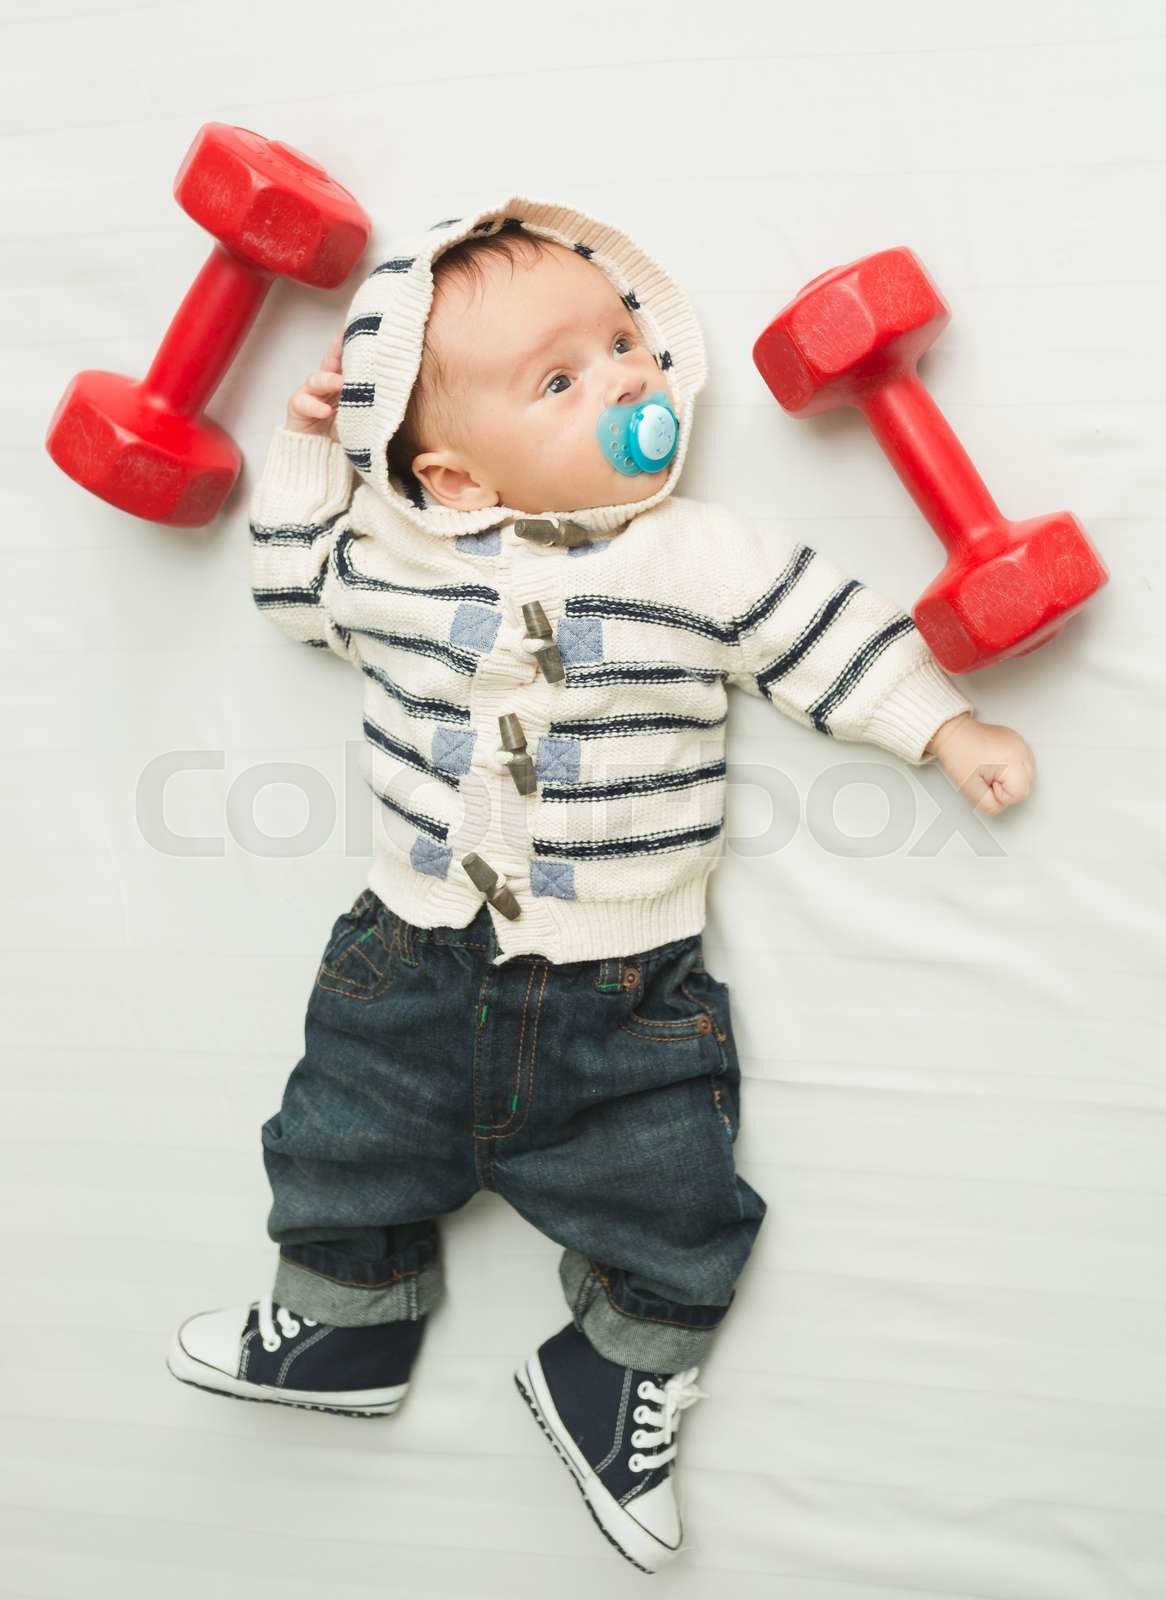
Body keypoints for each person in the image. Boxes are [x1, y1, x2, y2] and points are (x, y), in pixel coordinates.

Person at [166, 194, 1034, 1573]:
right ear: (450, 475)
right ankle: (341, 1324)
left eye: (625, 341)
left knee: (680, 1204)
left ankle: (614, 1373)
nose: (630, 378)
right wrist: (299, 447)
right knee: (339, 1143)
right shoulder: (395, 556)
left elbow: (828, 638)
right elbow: (289, 590)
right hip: (408, 957)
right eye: (561, 380)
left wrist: (942, 727)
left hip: (624, 990)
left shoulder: (699, 552)